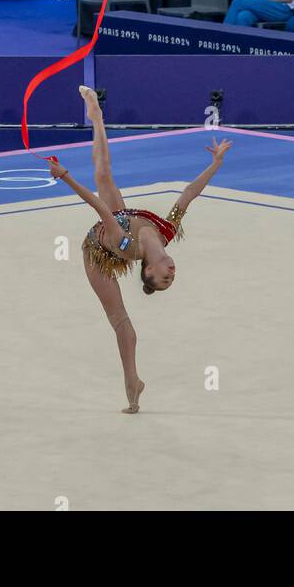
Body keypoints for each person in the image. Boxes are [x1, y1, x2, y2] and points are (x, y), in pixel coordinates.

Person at [46, 85, 231, 413]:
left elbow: (99, 210)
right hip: (121, 217)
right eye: (171, 278)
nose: (171, 274)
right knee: (104, 173)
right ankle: (97, 116)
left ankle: (131, 382)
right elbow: (188, 193)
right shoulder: (167, 231)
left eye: (163, 279)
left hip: (97, 250)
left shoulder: (128, 246)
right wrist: (216, 164)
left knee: (121, 323)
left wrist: (66, 177)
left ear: (147, 270)